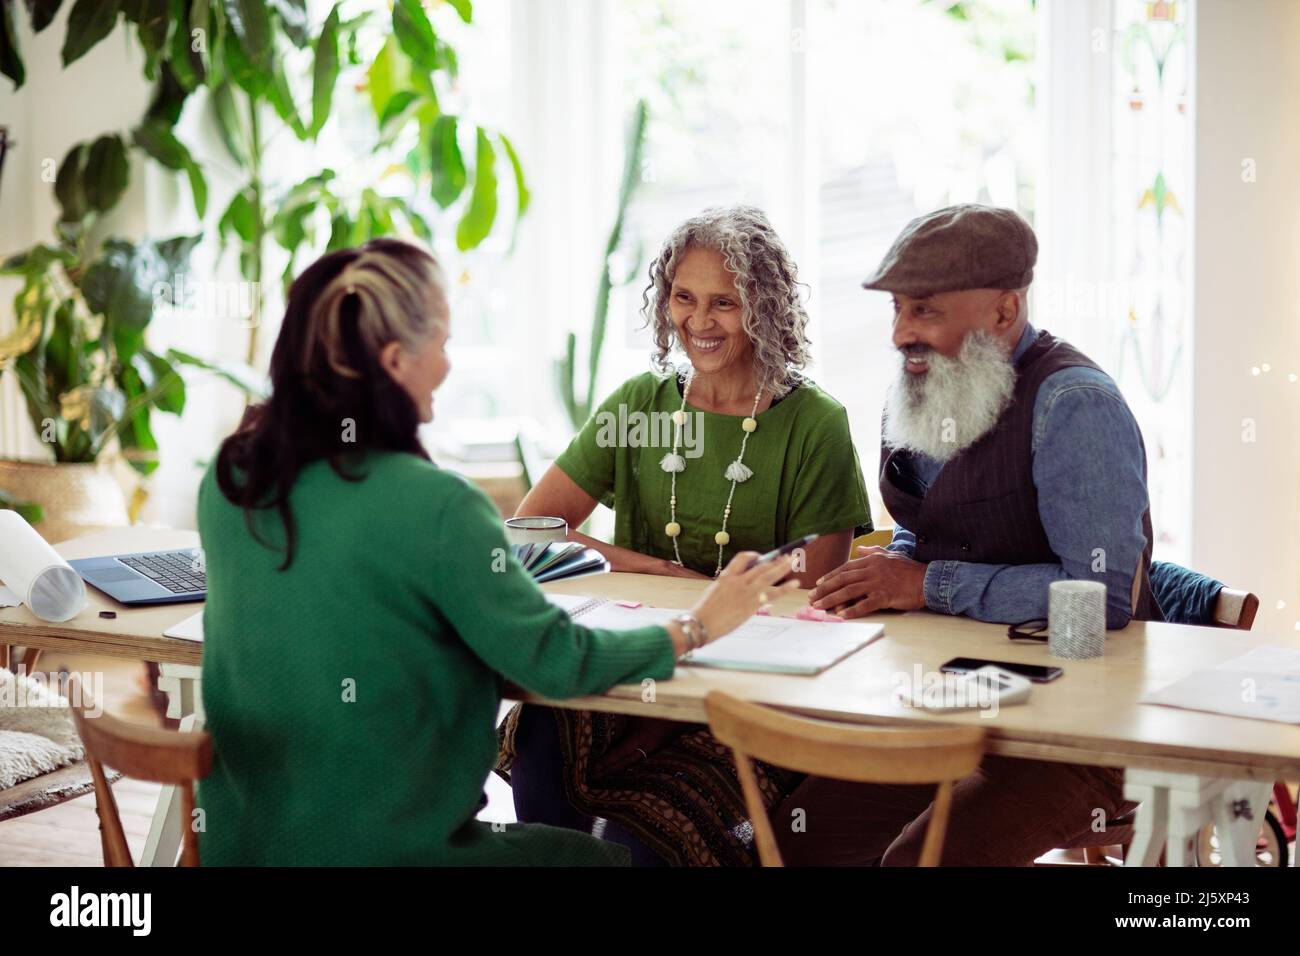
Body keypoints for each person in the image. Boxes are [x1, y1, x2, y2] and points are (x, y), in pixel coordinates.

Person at [195, 237, 799, 865]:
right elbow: (557, 661)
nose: (449, 367)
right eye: (443, 344)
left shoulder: (233, 476)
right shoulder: (438, 505)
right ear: (396, 361)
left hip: (243, 849)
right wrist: (699, 624)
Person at [775, 204, 1158, 866]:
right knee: (803, 834)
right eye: (896, 310)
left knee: (918, 862)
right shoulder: (927, 389)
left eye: (923, 311)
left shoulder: (1076, 405)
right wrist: (883, 581)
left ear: (1003, 314)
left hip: (1075, 737)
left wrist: (927, 584)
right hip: (948, 706)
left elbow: (1101, 594)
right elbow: (922, 536)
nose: (899, 334)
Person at [500, 206, 872, 865]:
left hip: (753, 694)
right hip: (643, 663)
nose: (698, 322)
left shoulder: (815, 423)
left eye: (724, 303)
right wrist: (653, 570)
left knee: (652, 835)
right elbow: (530, 529)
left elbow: (818, 594)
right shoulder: (640, 404)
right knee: (541, 736)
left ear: (765, 305)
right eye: (683, 297)